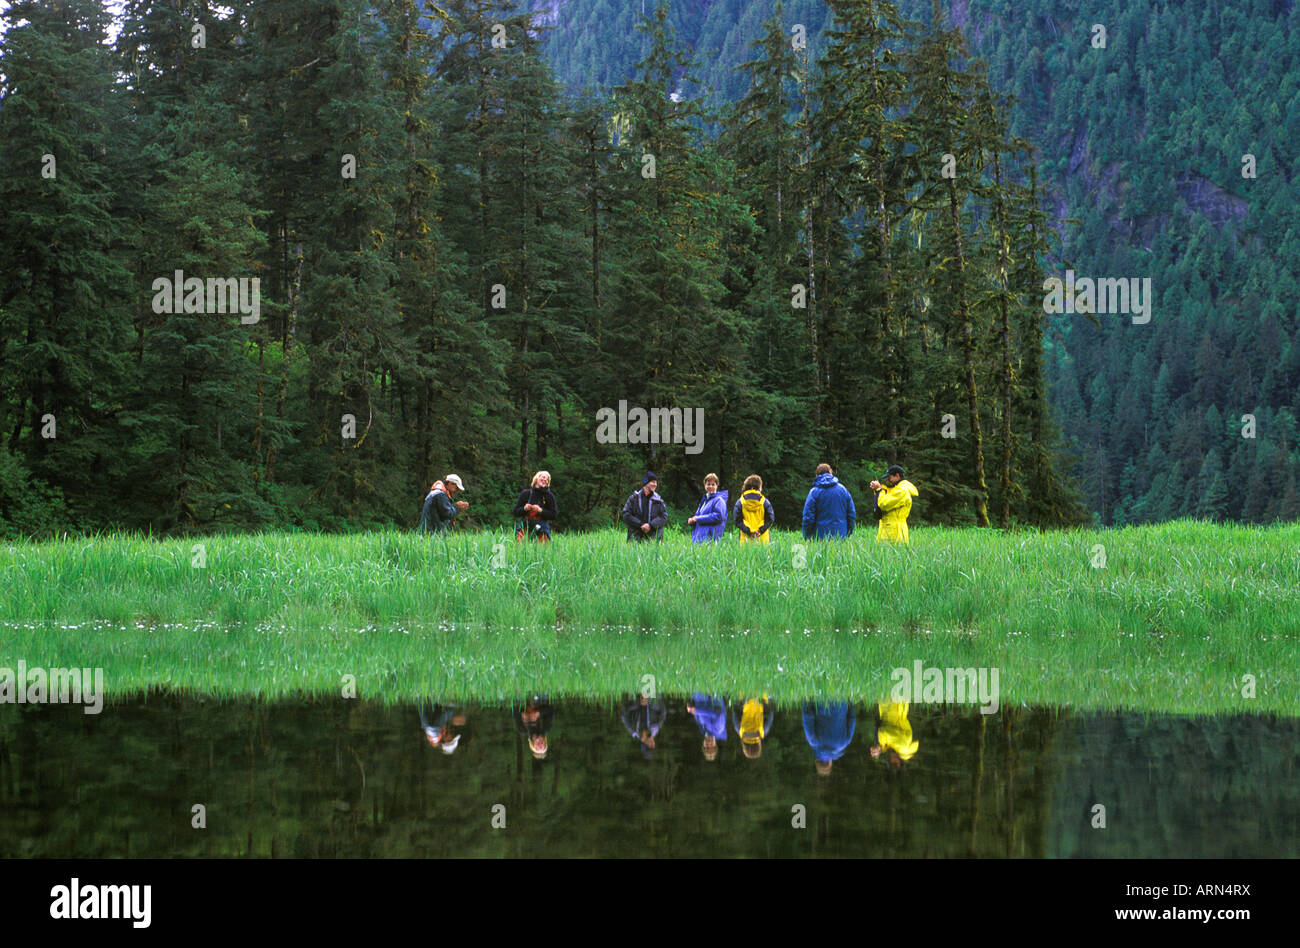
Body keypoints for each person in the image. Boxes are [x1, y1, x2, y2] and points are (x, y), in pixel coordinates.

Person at [801, 463, 856, 539]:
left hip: (819, 538)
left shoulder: (814, 492)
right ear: (830, 472)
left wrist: (807, 536)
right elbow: (851, 514)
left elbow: (808, 517)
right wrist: (848, 532)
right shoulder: (843, 489)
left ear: (817, 475)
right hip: (840, 537)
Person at [802, 700, 855, 777]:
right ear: (816, 762)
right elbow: (807, 717)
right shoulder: (813, 741)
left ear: (830, 763)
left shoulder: (843, 744)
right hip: (820, 701)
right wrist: (807, 699)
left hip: (841, 702)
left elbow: (852, 719)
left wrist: (849, 702)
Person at [870, 465, 918, 544]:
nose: (888, 481)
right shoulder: (897, 489)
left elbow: (883, 504)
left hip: (895, 533)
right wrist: (877, 490)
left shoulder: (902, 491)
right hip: (889, 531)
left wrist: (879, 490)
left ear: (897, 476)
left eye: (889, 478)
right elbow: (886, 495)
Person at [869, 700, 918, 769]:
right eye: (894, 763)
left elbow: (880, 731)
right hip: (895, 704)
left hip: (887, 707)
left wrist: (879, 747)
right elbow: (883, 732)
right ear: (899, 762)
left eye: (890, 762)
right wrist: (878, 744)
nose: (891, 760)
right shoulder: (902, 745)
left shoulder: (889, 746)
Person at [512, 470, 557, 543]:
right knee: (519, 548)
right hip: (525, 525)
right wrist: (524, 508)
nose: (545, 480)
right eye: (543, 477)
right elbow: (515, 512)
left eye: (547, 479)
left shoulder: (549, 496)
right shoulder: (525, 493)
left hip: (542, 526)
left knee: (542, 552)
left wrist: (541, 511)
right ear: (536, 478)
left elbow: (554, 515)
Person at [622, 471, 668, 542]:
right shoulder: (634, 498)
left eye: (656, 482)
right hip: (635, 538)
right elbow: (625, 515)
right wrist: (640, 524)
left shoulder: (659, 501)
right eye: (653, 482)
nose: (655, 484)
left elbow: (664, 517)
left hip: (653, 539)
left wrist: (650, 525)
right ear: (646, 483)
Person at [732, 474, 774, 544]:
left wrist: (749, 531)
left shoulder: (740, 502)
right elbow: (770, 519)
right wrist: (760, 531)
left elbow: (737, 520)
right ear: (759, 487)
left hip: (745, 540)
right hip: (763, 540)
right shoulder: (765, 502)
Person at [686, 693, 728, 761]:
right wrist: (697, 711)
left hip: (698, 697)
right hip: (713, 697)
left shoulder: (703, 729)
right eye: (712, 747)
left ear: (703, 744)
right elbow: (718, 713)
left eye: (707, 747)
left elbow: (697, 713)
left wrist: (691, 708)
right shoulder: (719, 729)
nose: (709, 744)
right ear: (715, 744)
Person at [687, 473, 728, 543]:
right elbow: (697, 516)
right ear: (704, 485)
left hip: (710, 539)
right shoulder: (704, 500)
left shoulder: (719, 500)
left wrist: (698, 519)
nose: (710, 486)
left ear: (717, 486)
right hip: (699, 538)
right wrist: (692, 520)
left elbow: (718, 516)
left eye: (713, 484)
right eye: (708, 484)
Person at [512, 695, 555, 760]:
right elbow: (551, 709)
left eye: (537, 748)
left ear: (532, 744)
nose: (540, 745)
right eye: (543, 746)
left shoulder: (522, 729)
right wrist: (538, 713)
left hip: (521, 701)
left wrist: (522, 714)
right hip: (539, 700)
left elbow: (514, 711)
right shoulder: (547, 727)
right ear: (545, 741)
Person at [732, 694, 774, 759]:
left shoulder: (762, 733)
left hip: (761, 698)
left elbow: (770, 715)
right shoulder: (740, 732)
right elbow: (734, 713)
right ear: (744, 747)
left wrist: (766, 705)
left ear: (758, 746)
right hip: (744, 699)